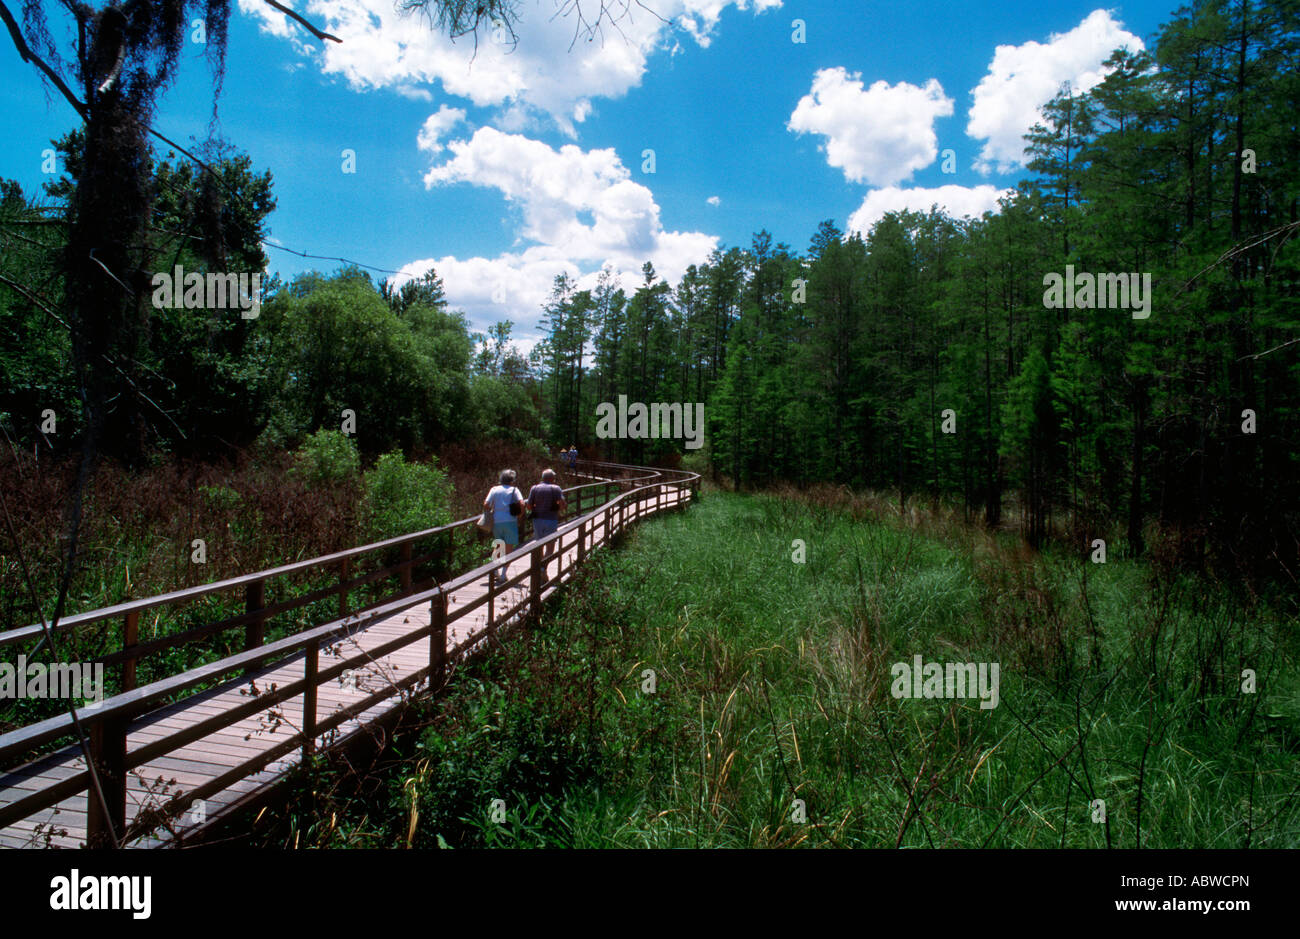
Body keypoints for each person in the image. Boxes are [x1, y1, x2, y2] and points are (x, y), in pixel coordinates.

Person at [483, 469, 525, 584]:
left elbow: (486, 504)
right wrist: (519, 515)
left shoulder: (494, 489)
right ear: (512, 480)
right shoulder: (514, 490)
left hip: (497, 521)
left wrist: (492, 511)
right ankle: (503, 574)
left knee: (498, 545)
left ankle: (496, 570)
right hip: (510, 521)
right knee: (509, 548)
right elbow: (522, 503)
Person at [527, 469, 567, 556]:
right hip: (551, 519)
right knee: (550, 545)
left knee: (539, 544)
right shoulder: (556, 488)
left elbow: (529, 506)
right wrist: (558, 509)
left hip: (537, 520)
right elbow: (562, 504)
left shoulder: (534, 488)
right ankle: (543, 566)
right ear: (552, 479)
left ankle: (540, 564)